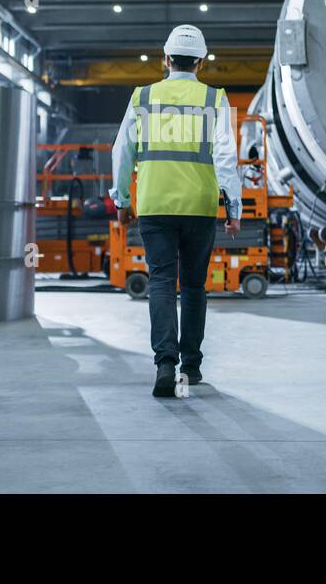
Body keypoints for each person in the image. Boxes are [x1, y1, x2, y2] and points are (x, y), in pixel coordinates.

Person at [110, 24, 242, 397]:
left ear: (165, 59)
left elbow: (122, 152)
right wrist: (234, 207)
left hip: (154, 205)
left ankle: (164, 363)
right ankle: (192, 365)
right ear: (201, 62)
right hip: (199, 207)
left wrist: (122, 201)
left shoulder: (143, 97)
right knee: (196, 285)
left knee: (163, 281)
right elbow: (226, 157)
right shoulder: (215, 99)